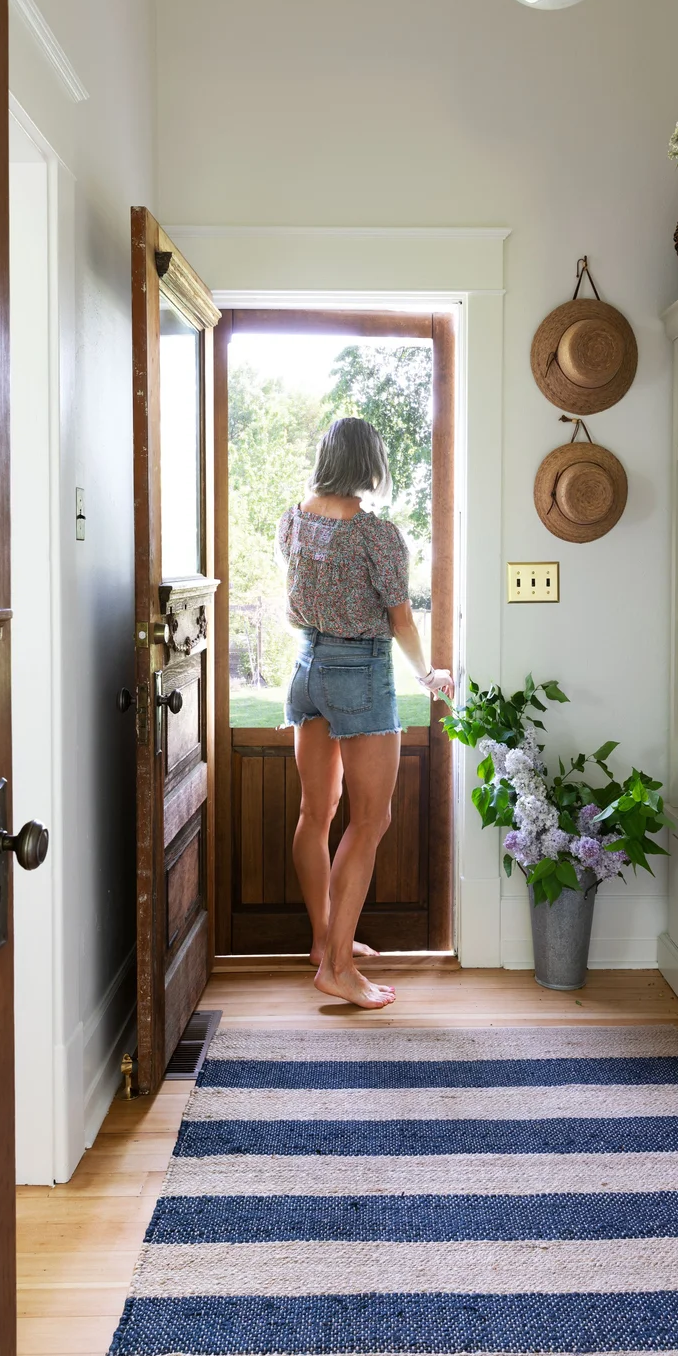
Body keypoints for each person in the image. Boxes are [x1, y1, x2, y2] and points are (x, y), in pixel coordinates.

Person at [277, 417, 454, 1009]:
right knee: (369, 821)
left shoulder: (294, 520)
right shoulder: (376, 534)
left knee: (316, 811)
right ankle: (340, 967)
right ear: (369, 461)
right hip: (358, 672)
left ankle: (324, 940)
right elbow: (401, 619)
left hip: (306, 671)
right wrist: (427, 673)